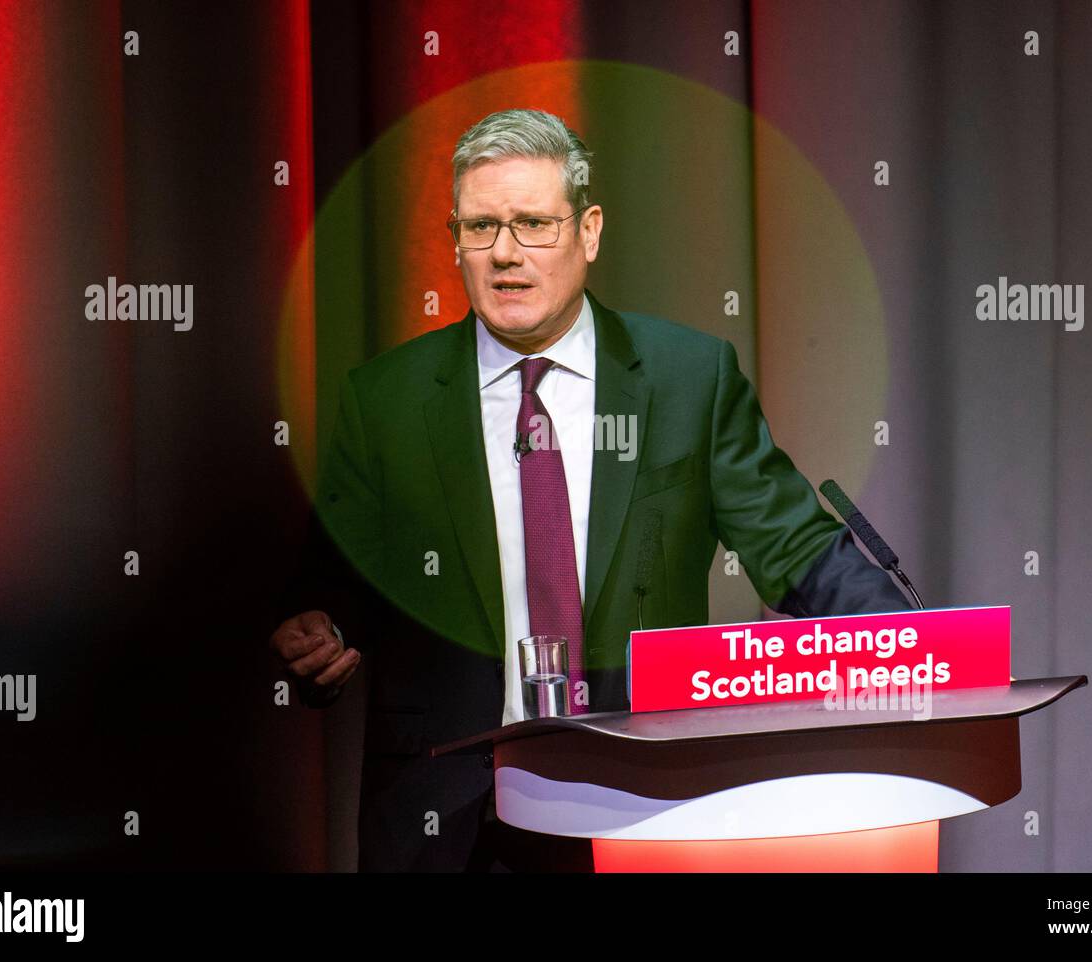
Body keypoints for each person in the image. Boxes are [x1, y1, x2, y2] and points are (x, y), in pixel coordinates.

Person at [268, 108, 912, 872]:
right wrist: (320, 640)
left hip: (641, 811)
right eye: (480, 228)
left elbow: (798, 547)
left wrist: (915, 651)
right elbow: (336, 595)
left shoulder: (686, 380)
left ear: (590, 232)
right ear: (454, 242)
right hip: (444, 825)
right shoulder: (385, 400)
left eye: (534, 223)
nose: (506, 254)